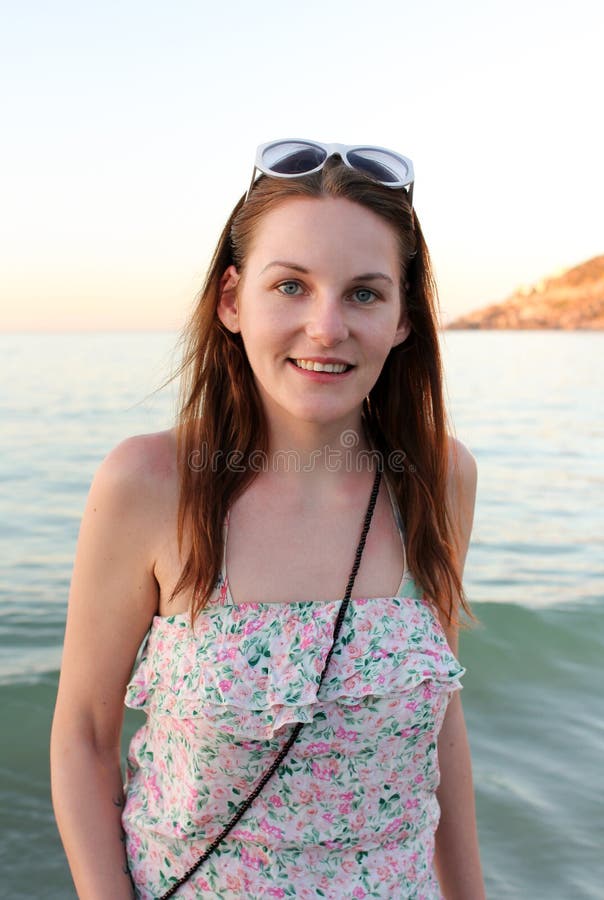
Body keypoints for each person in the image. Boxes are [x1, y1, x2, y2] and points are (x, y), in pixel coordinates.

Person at [51, 139, 486, 899]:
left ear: (404, 317)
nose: (326, 328)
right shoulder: (151, 484)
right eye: (291, 286)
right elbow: (85, 738)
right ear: (231, 301)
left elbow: (440, 725)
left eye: (364, 293)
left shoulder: (439, 477)